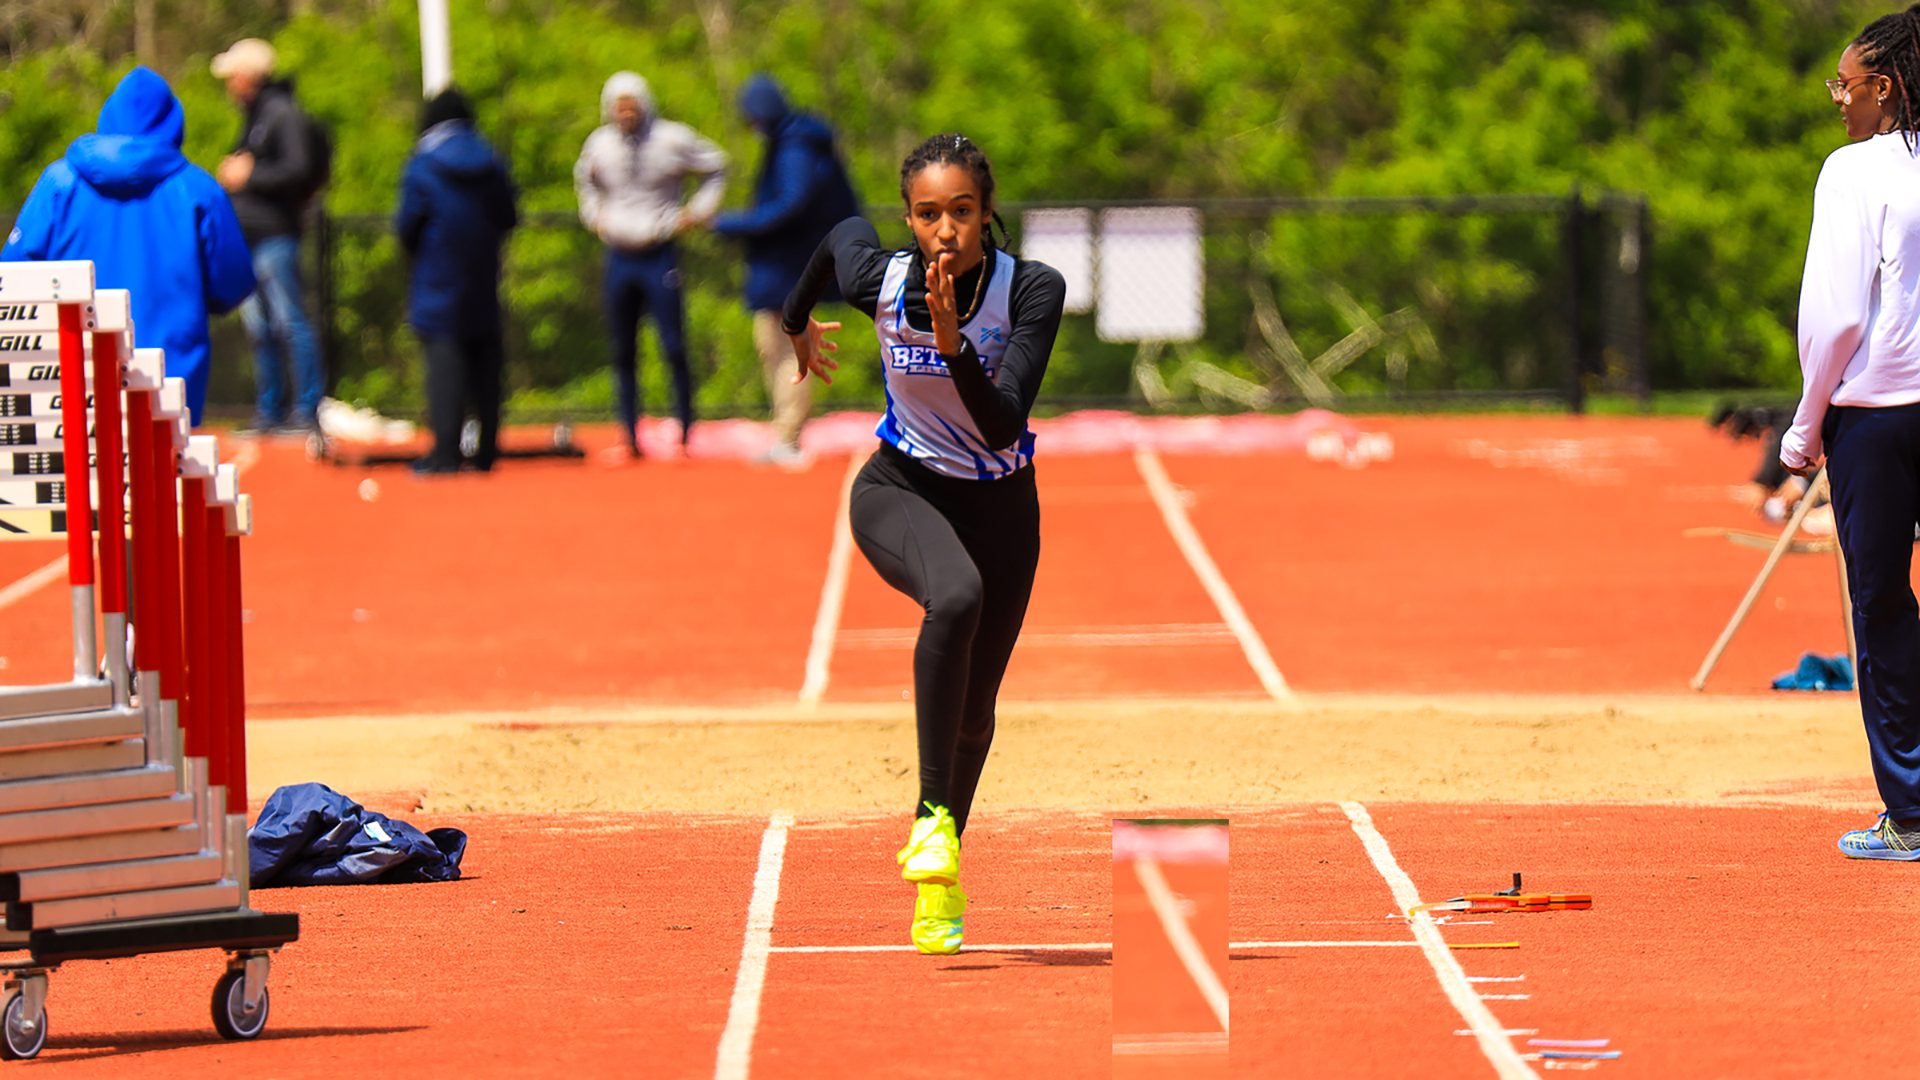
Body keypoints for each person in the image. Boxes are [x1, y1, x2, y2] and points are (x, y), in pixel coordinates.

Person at [783, 134, 1066, 953]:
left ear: (987, 212)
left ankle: (938, 873)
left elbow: (1003, 419)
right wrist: (797, 320)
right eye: (929, 214)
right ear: (910, 219)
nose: (947, 229)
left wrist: (953, 346)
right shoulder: (884, 277)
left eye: (963, 212)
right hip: (899, 489)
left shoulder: (1032, 289)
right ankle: (933, 822)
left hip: (1004, 509)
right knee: (958, 597)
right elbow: (838, 236)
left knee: (976, 715)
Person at [1782, 5, 1920, 860]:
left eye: (1849, 83)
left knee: (1881, 607)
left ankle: (1909, 811)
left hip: (1875, 418)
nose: (1839, 99)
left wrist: (1803, 426)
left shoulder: (1852, 172)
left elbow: (1833, 317)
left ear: (1888, 86)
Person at [1, 66, 254, 426]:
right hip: (168, 380)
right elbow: (233, 284)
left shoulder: (59, 181)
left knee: (80, 477)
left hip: (71, 377)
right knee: (160, 479)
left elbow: (12, 275)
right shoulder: (197, 188)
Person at [573, 72, 727, 460]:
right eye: (618, 106)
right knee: (622, 348)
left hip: (659, 251)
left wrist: (696, 212)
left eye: (631, 105)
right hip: (619, 254)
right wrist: (595, 216)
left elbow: (717, 165)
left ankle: (685, 433)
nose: (625, 113)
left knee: (673, 345)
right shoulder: (600, 144)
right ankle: (629, 434)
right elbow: (584, 182)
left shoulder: (671, 139)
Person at [710, 74, 859, 466]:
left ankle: (789, 437)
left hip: (791, 266)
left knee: (788, 348)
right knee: (771, 346)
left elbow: (791, 206)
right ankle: (783, 432)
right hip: (783, 267)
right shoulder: (791, 142)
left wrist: (728, 223)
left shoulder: (796, 147)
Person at [395, 88, 519, 475]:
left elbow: (407, 226)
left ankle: (446, 453)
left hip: (437, 278)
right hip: (482, 274)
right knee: (486, 365)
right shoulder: (492, 159)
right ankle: (487, 452)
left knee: (444, 368)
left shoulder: (422, 165)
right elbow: (509, 215)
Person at [212, 37, 329, 435]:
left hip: (275, 236)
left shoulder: (282, 113)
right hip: (249, 239)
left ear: (248, 77)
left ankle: (307, 409)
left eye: (232, 76)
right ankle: (270, 411)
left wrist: (249, 176)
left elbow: (299, 168)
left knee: (289, 321)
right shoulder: (255, 116)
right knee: (260, 328)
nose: (228, 85)